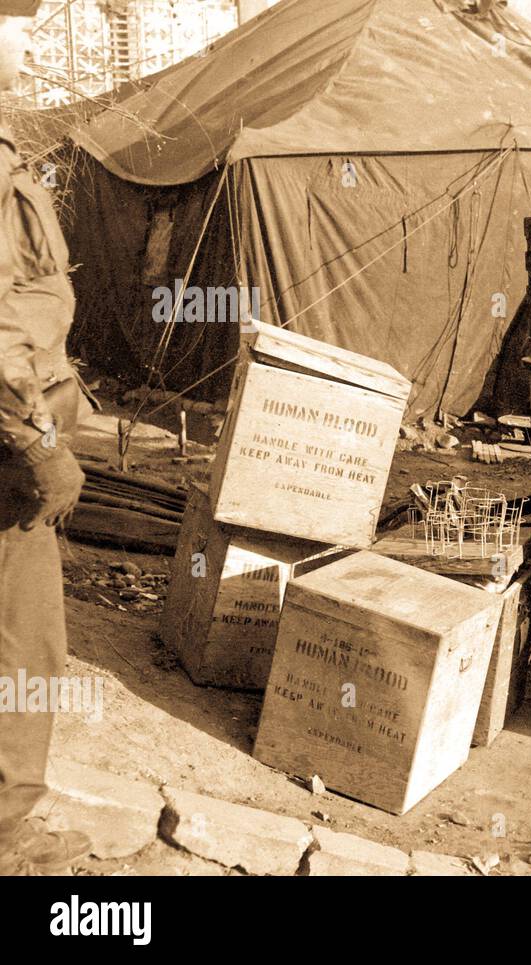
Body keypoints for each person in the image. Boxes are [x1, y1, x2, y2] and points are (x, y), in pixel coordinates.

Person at [0, 2, 92, 875]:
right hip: (6, 462)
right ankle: (7, 834)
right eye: (12, 23)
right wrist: (38, 441)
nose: (25, 46)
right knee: (28, 649)